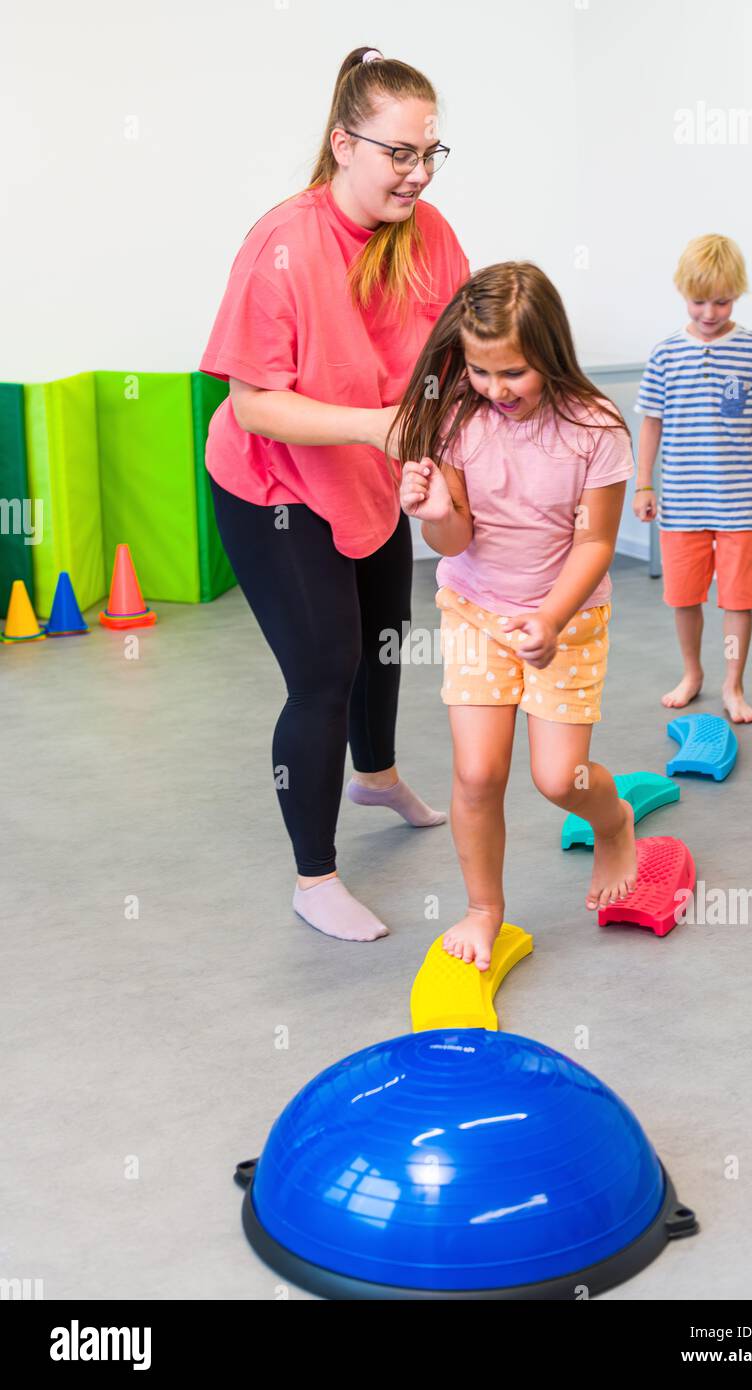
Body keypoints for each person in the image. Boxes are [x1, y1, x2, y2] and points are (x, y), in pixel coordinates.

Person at [199, 47, 470, 942]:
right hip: (275, 483)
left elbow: (452, 359)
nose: (419, 172)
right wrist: (376, 428)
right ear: (343, 143)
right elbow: (252, 401)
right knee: (324, 671)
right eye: (400, 153)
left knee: (386, 640)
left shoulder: (428, 234)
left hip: (370, 472)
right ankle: (314, 877)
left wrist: (437, 450)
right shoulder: (284, 243)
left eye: (431, 152)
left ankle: (378, 774)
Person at [394, 262, 638, 972]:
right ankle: (483, 908)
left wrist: (553, 619)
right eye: (480, 371)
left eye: (515, 374)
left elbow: (595, 541)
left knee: (560, 780)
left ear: (551, 355)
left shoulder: (596, 428)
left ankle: (614, 821)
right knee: (476, 772)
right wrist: (436, 514)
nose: (496, 390)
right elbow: (455, 539)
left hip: (568, 619)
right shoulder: (459, 423)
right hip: (476, 611)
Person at [632, 233, 752, 722]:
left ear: (736, 294)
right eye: (699, 300)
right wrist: (644, 483)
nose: (709, 312)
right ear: (684, 293)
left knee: (738, 599)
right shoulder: (665, 354)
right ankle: (692, 673)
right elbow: (651, 422)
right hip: (681, 502)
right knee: (684, 596)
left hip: (740, 502)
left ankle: (732, 684)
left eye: (721, 301)